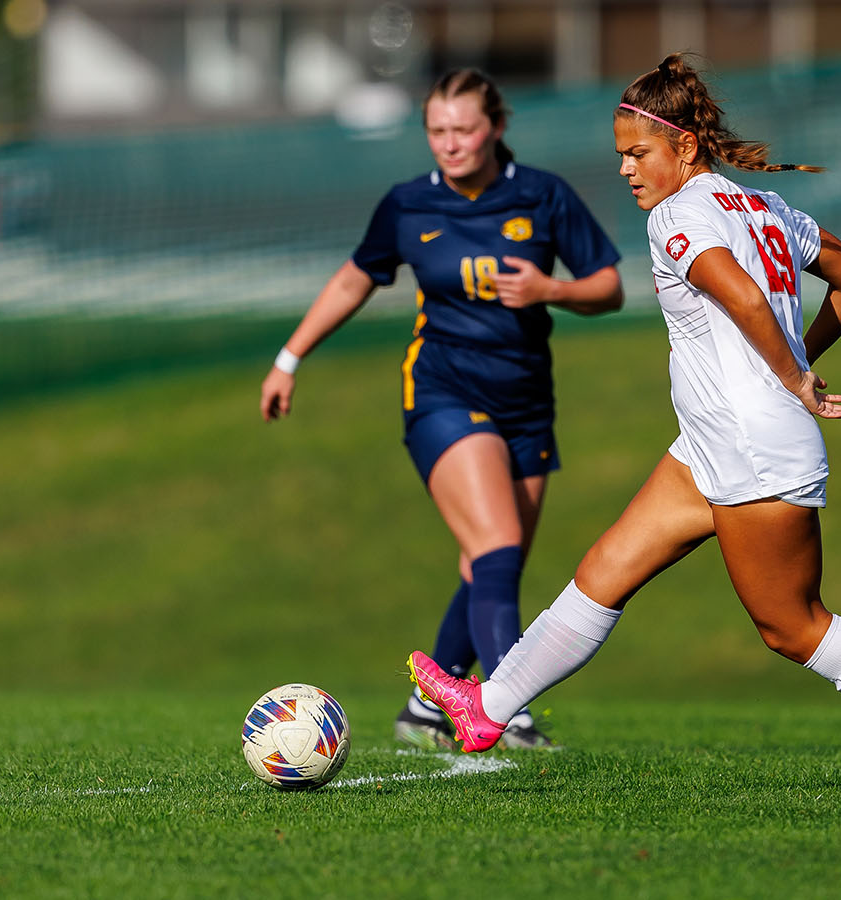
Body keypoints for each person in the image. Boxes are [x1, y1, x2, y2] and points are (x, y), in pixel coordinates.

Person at [405, 54, 841, 764]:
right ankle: (486, 708)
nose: (626, 169)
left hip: (751, 444)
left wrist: (794, 372)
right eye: (620, 155)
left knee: (790, 627)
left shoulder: (678, 212)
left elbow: (736, 292)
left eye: (637, 153)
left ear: (685, 145)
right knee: (604, 569)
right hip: (712, 440)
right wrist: (796, 361)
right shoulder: (764, 207)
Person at [259, 69, 625, 750]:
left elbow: (608, 286)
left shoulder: (543, 194)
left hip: (526, 404)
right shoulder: (407, 205)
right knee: (497, 548)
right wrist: (289, 358)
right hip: (442, 395)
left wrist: (550, 288)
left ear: (497, 128)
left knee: (490, 566)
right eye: (437, 131)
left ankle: (428, 706)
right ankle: (505, 711)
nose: (450, 143)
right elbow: (352, 279)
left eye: (464, 129)